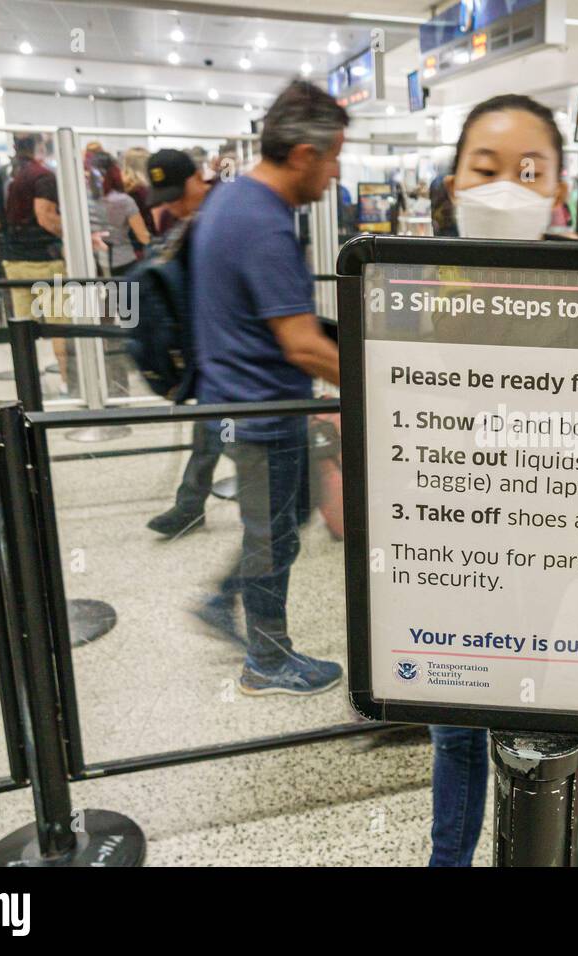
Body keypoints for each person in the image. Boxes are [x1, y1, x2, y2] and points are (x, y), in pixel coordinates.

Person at [425, 93, 571, 866]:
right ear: (453, 182)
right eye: (485, 168)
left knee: (534, 725)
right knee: (452, 729)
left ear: (558, 190)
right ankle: (448, 860)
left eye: (528, 170)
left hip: (546, 555)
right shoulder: (414, 289)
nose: (505, 188)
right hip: (443, 551)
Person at [189, 78, 346, 697]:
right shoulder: (264, 224)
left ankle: (223, 601)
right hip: (260, 412)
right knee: (272, 538)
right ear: (304, 155)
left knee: (289, 511)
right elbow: (301, 343)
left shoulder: (233, 200)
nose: (335, 172)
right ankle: (267, 662)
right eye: (333, 156)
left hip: (233, 399)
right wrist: (388, 384)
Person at [144, 149, 220, 539]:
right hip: (214, 355)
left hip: (244, 356)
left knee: (251, 440)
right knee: (211, 430)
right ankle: (190, 507)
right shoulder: (190, 224)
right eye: (165, 200)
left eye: (177, 195)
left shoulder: (228, 213)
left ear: (197, 178)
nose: (172, 206)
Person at [0, 135, 68, 388]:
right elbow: (46, 217)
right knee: (58, 322)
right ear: (40, 146)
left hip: (13, 260)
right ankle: (64, 380)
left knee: (24, 326)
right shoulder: (43, 175)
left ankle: (30, 386)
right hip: (44, 258)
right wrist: (71, 236)